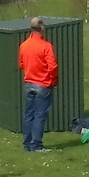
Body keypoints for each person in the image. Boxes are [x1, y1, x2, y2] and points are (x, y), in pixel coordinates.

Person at [18, 17, 58, 152]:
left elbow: (21, 64)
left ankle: (27, 144)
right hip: (43, 84)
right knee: (39, 115)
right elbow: (52, 66)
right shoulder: (46, 46)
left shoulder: (24, 45)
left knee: (29, 114)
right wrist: (52, 80)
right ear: (41, 28)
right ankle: (36, 144)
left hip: (29, 82)